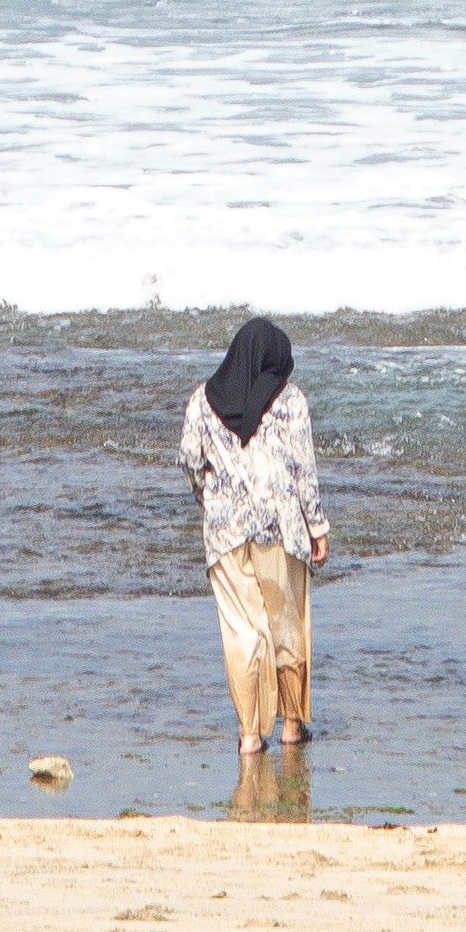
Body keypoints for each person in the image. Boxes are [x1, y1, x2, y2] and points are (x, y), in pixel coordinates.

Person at [179, 317, 329, 758]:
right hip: (281, 528)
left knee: (241, 634)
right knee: (286, 625)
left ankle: (248, 734)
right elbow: (304, 468)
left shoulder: (202, 400)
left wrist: (209, 503)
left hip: (224, 535)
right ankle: (291, 724)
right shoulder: (291, 400)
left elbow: (189, 460)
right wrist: (317, 525)